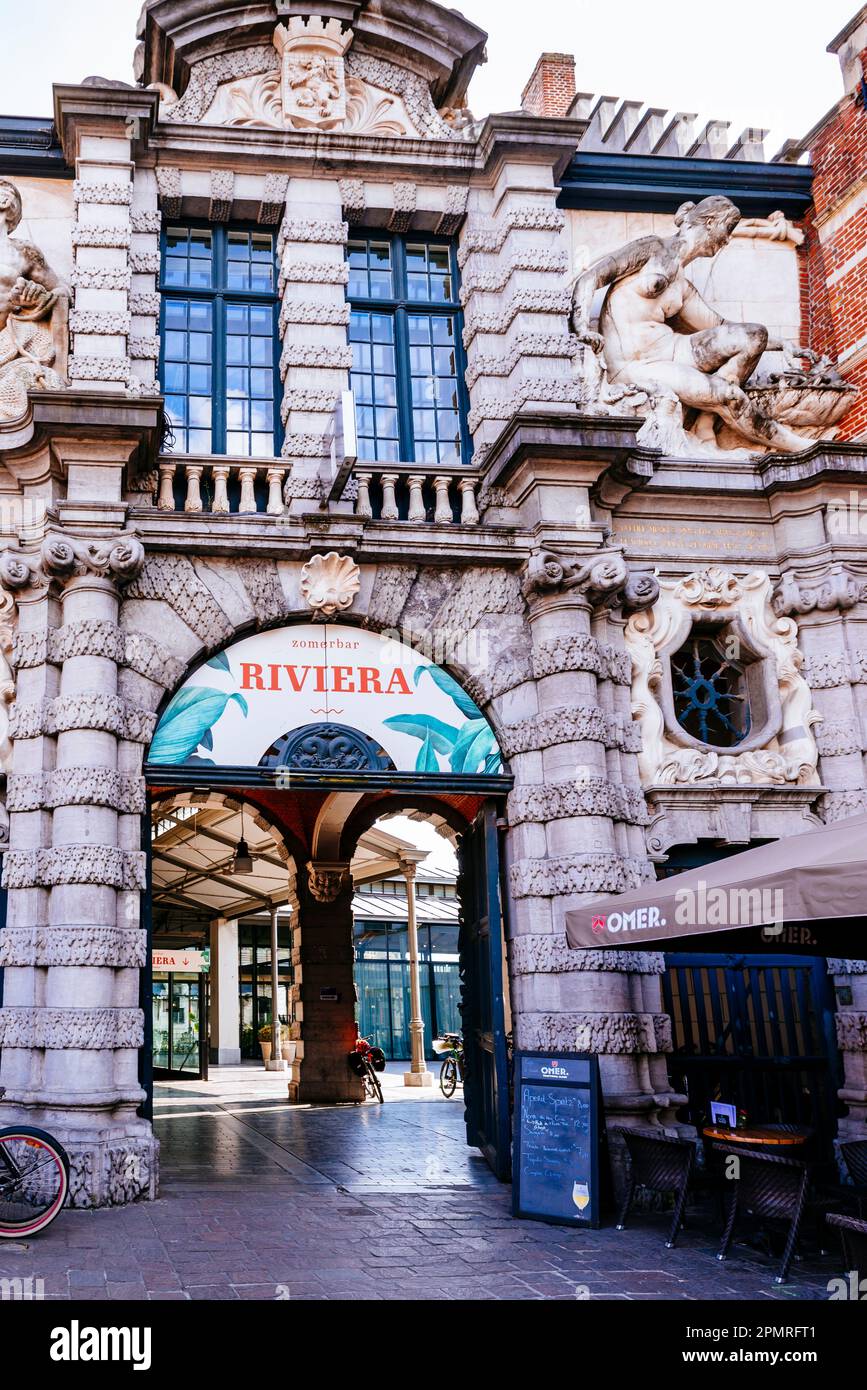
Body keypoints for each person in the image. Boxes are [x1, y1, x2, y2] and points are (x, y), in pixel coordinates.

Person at [570, 194, 813, 453]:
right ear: (710, 223)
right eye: (726, 230)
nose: (727, 240)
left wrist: (784, 344)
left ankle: (705, 422)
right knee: (728, 395)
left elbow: (718, 324)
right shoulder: (653, 249)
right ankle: (799, 446)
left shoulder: (682, 286)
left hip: (672, 350)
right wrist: (582, 326)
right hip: (637, 364)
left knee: (754, 335)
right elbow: (590, 278)